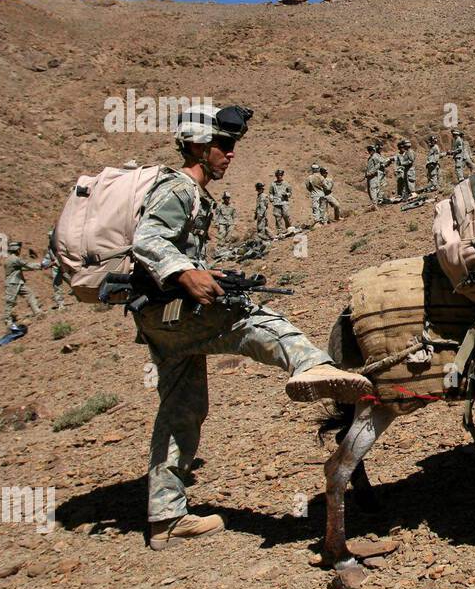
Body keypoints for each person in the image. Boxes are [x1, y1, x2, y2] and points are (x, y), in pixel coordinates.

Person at [130, 104, 371, 550]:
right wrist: (185, 273)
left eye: (232, 145)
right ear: (200, 147)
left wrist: (204, 274)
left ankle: (165, 516)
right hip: (169, 312)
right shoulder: (179, 188)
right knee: (251, 319)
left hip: (162, 320)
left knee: (182, 409)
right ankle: (314, 367)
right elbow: (146, 239)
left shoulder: (192, 192)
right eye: (224, 145)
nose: (230, 154)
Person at [2, 241, 44, 328]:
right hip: (12, 283)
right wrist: (42, 265)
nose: (20, 250)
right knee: (10, 302)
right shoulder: (15, 259)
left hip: (17, 282)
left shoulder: (10, 259)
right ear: (17, 249)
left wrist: (38, 267)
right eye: (19, 249)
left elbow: (22, 268)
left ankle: (37, 312)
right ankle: (8, 321)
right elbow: (27, 265)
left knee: (29, 293)